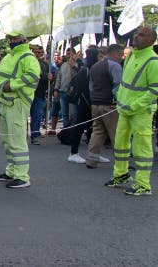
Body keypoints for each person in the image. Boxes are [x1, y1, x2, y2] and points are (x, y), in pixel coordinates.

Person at [106, 27, 158, 196]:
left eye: (142, 35)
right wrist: (120, 101)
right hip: (125, 109)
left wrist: (133, 105)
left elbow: (154, 91)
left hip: (141, 112)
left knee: (141, 148)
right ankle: (121, 175)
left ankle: (143, 184)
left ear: (151, 41)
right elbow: (124, 84)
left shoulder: (153, 61)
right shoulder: (131, 57)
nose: (136, 36)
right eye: (137, 33)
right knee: (120, 144)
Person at [0, 30, 40, 188]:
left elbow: (33, 76)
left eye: (15, 38)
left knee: (17, 139)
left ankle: (22, 176)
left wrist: (12, 85)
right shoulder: (9, 56)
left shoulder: (28, 57)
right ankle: (12, 171)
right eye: (10, 38)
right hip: (4, 101)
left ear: (23, 40)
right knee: (8, 140)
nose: (11, 41)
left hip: (17, 102)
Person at [86, 44, 123, 168]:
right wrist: (118, 101)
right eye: (121, 55)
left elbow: (90, 87)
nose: (122, 58)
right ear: (115, 54)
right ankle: (121, 163)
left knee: (97, 132)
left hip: (95, 104)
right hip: (109, 105)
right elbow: (118, 86)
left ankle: (91, 160)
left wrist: (94, 100)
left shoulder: (95, 66)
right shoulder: (115, 66)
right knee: (117, 134)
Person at [66, 48, 99, 164]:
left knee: (93, 129)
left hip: (91, 102)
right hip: (84, 102)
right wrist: (87, 101)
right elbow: (80, 88)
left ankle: (93, 154)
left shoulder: (91, 68)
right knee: (79, 127)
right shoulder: (85, 70)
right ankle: (73, 153)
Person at [30, 45, 50, 145]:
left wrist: (51, 78)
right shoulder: (29, 62)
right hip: (29, 92)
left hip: (40, 93)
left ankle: (34, 134)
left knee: (37, 115)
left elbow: (47, 80)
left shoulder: (45, 65)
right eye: (36, 52)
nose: (38, 54)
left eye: (40, 53)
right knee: (26, 115)